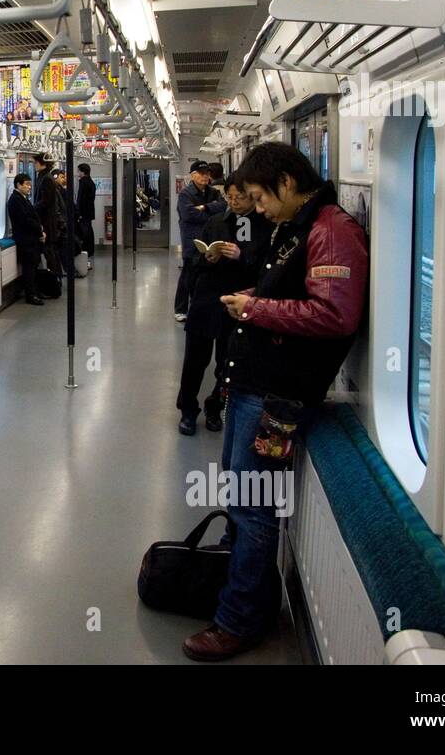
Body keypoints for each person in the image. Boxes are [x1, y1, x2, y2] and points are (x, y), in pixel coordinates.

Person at [183, 143, 367, 662]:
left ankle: (239, 620)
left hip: (277, 395)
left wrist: (256, 309)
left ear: (288, 182)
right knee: (241, 495)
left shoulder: (332, 231)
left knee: (254, 506)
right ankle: (234, 590)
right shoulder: (296, 227)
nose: (256, 208)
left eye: (261, 197)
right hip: (255, 384)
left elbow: (334, 316)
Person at [175, 172, 270, 435]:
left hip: (239, 300)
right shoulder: (216, 221)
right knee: (195, 359)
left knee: (228, 360)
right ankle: (187, 409)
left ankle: (215, 406)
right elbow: (195, 258)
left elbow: (267, 269)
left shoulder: (265, 228)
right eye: (230, 197)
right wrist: (208, 258)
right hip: (207, 298)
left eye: (240, 197)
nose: (235, 202)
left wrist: (243, 256)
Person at [174, 161, 226, 321]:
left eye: (207, 173)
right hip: (192, 240)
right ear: (193, 175)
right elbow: (189, 215)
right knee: (188, 276)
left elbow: (223, 206)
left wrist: (204, 207)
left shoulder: (212, 192)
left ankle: (201, 307)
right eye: (201, 173)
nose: (205, 176)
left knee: (207, 276)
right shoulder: (185, 194)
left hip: (210, 239)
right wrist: (211, 213)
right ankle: (181, 309)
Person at [7, 173, 45, 305]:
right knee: (28, 268)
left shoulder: (23, 198)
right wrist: (39, 231)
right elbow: (26, 220)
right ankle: (31, 295)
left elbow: (33, 216)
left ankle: (35, 291)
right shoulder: (15, 200)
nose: (29, 187)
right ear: (18, 185)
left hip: (31, 238)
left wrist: (40, 230)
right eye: (27, 184)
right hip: (25, 239)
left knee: (33, 267)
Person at [34, 155, 66, 276]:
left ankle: (54, 277)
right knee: (50, 250)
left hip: (47, 221)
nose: (34, 165)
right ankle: (56, 276)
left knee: (49, 250)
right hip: (48, 219)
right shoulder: (45, 177)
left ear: (42, 163)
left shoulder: (46, 179)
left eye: (36, 162)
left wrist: (32, 208)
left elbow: (46, 201)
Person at [76, 164, 97, 270]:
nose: (77, 173)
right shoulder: (91, 182)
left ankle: (86, 251)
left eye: (78, 171)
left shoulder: (83, 183)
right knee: (89, 230)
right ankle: (90, 250)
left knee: (84, 232)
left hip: (84, 213)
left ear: (82, 172)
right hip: (89, 212)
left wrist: (78, 213)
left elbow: (80, 200)